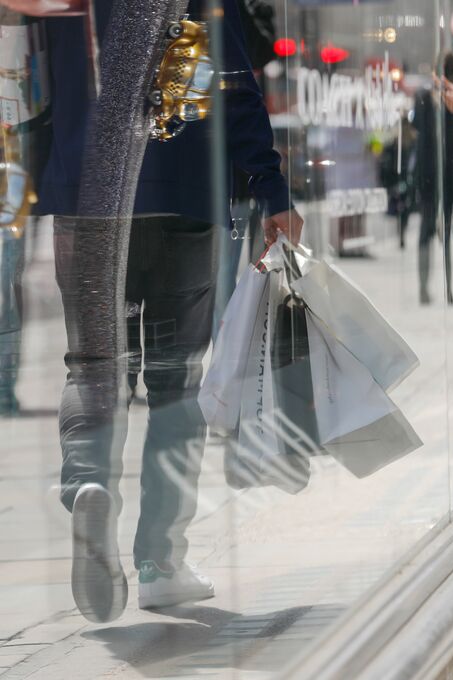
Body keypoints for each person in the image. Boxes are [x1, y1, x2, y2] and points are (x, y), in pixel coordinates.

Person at [29, 0, 301, 623]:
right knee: (176, 380)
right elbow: (232, 84)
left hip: (86, 196)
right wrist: (271, 188)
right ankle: (159, 562)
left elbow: (25, 82)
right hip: (185, 197)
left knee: (93, 367)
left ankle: (87, 487)